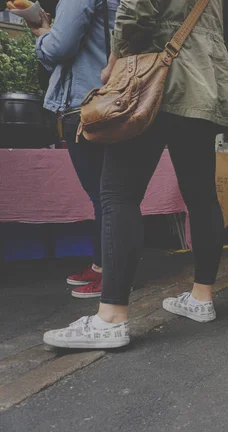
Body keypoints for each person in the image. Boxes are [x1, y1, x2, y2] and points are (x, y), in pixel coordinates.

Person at [43, 0, 228, 349]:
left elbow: (136, 12)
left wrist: (115, 61)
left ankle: (111, 318)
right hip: (204, 80)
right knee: (201, 194)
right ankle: (202, 297)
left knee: (119, 193)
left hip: (156, 77)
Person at [29, 0, 118, 298]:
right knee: (107, 193)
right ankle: (102, 265)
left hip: (86, 104)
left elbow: (59, 48)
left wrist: (40, 31)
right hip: (109, 98)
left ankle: (114, 275)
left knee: (105, 196)